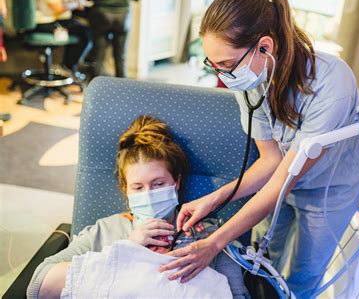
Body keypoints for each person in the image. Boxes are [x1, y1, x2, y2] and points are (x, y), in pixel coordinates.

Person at [159, 0, 359, 298]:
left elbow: (285, 176)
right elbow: (270, 161)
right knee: (264, 259)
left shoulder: (331, 82)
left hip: (330, 190)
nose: (223, 75)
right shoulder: (252, 81)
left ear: (264, 46)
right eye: (214, 65)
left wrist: (215, 243)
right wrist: (212, 200)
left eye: (228, 64)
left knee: (303, 275)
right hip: (281, 185)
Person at [27, 115, 247, 298]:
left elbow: (237, 295)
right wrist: (126, 249)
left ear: (176, 182)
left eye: (158, 184)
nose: (149, 194)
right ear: (126, 190)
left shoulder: (209, 237)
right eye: (138, 187)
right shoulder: (106, 231)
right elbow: (40, 286)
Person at [32, 0, 92, 74]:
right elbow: (57, 8)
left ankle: (67, 67)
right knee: (85, 34)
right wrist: (77, 4)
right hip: (46, 21)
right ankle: (66, 69)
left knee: (77, 26)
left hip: (44, 20)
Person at [84, 0, 140, 78]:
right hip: (122, 17)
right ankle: (122, 87)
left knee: (98, 54)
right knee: (120, 56)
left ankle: (94, 88)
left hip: (101, 16)